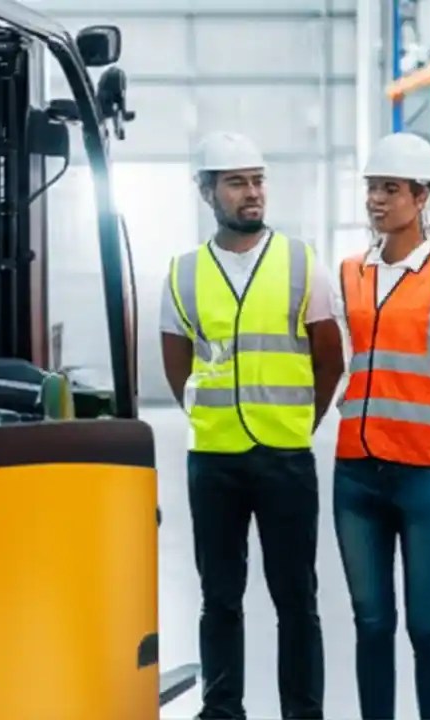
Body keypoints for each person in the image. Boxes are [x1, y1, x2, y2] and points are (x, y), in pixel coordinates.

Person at [159, 131, 344, 720]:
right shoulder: (184, 272)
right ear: (207, 192)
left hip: (285, 455)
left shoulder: (301, 262)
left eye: (257, 180)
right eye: (236, 182)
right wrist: (204, 416)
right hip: (213, 458)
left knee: (297, 598)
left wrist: (300, 421)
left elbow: (330, 357)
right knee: (219, 597)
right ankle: (222, 710)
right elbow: (175, 360)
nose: (252, 193)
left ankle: (302, 713)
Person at [332, 132, 430, 720]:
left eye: (390, 189)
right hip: (356, 475)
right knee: (370, 623)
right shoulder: (349, 272)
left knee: (428, 626)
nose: (377, 200)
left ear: (421, 196)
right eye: (372, 188)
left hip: (424, 475)